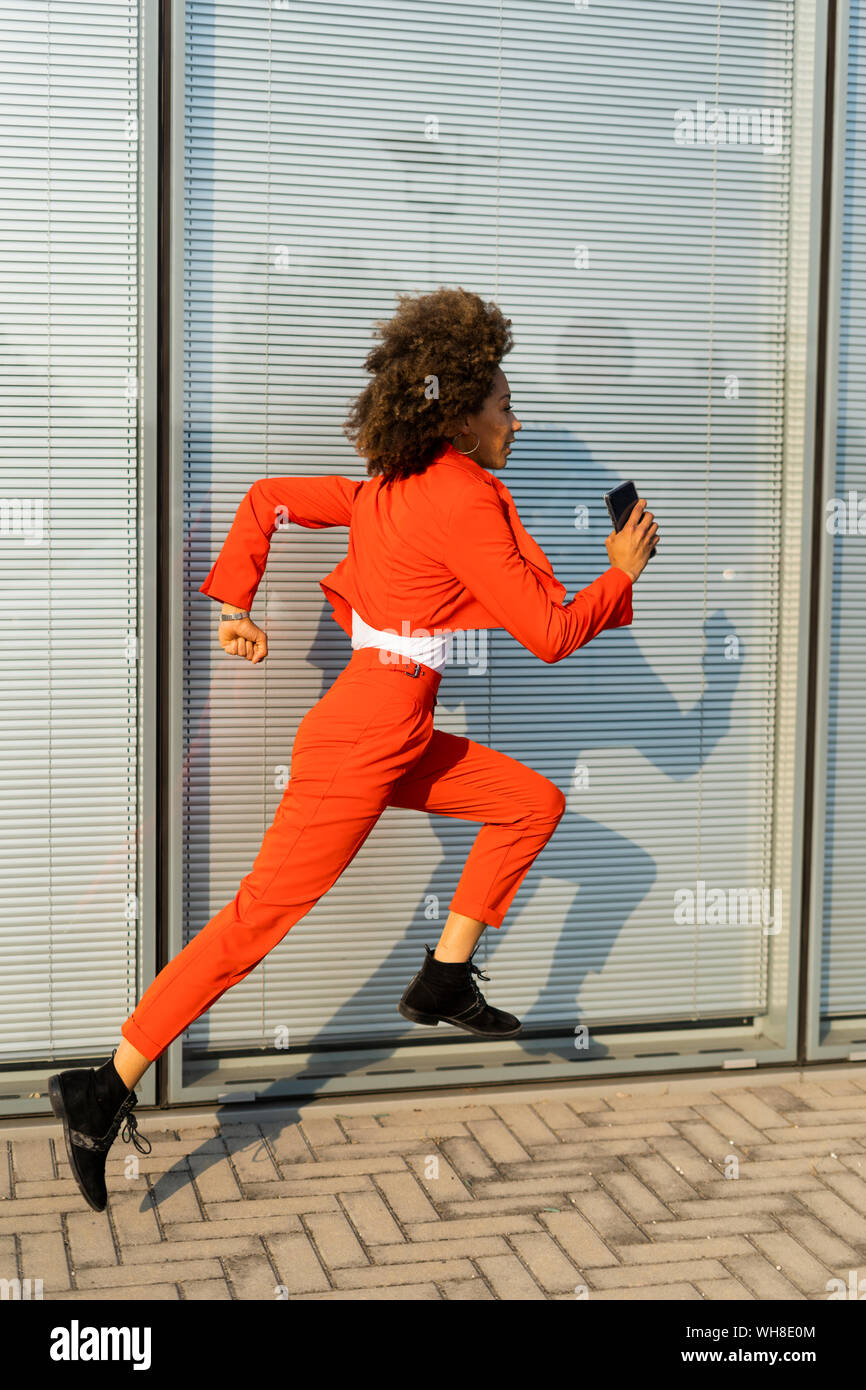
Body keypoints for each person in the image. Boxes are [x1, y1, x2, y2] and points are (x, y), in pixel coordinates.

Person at [49, 287, 659, 1211]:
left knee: (532, 803)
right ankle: (102, 1087)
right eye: (503, 405)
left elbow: (267, 500)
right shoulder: (461, 496)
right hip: (365, 738)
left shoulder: (387, 484)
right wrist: (619, 577)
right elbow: (547, 631)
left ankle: (443, 979)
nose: (517, 420)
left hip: (390, 722)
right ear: (461, 415)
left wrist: (236, 606)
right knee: (256, 921)